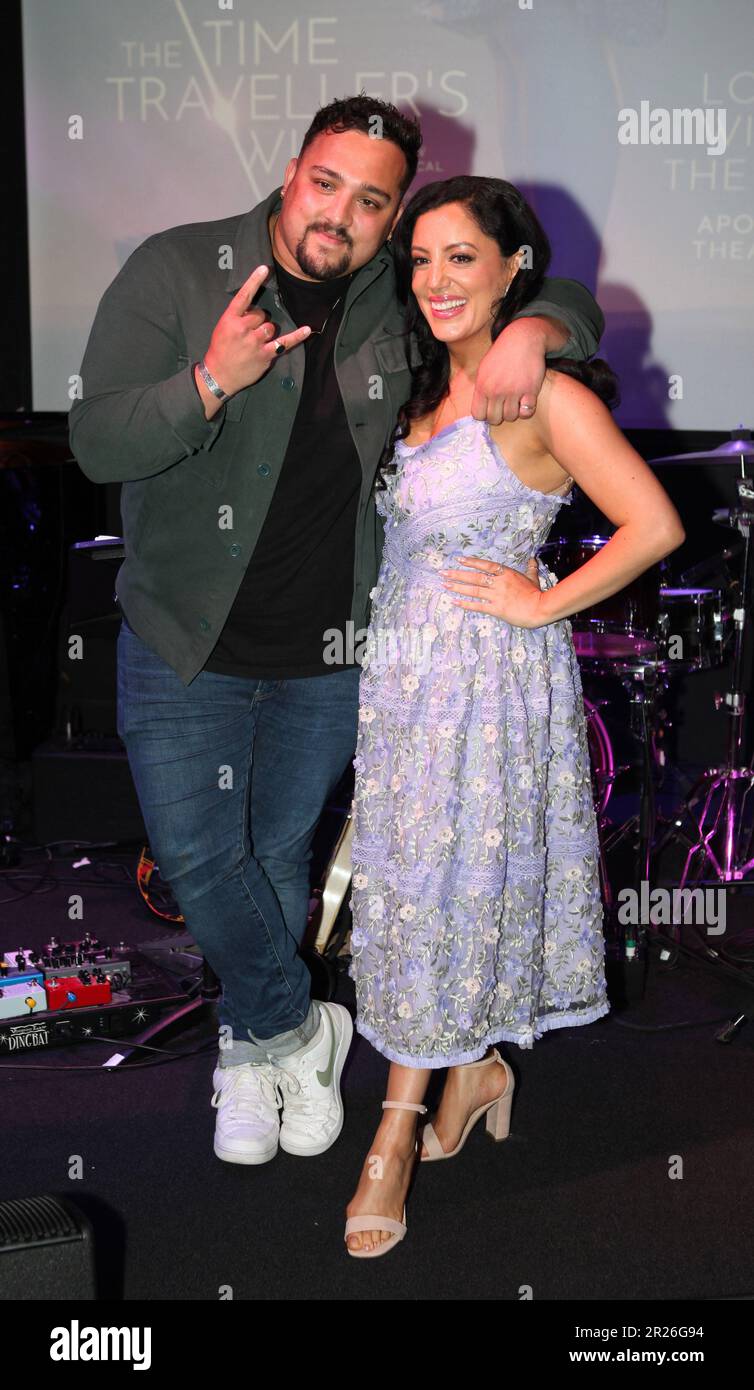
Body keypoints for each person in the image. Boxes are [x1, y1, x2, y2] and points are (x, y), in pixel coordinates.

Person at [69, 96, 605, 1171]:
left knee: (273, 863)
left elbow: (547, 286)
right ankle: (296, 1027)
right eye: (326, 183)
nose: (342, 214)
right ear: (290, 173)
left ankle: (247, 1059)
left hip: (329, 658)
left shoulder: (394, 296)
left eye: (372, 200)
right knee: (197, 858)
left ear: (392, 212)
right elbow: (94, 441)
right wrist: (211, 380)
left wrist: (543, 329)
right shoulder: (177, 269)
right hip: (187, 642)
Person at [344, 175, 685, 1256]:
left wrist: (542, 598)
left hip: (487, 688)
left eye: (462, 257)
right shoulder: (417, 390)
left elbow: (653, 524)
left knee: (449, 888)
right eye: (423, 258)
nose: (436, 279)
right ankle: (480, 1064)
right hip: (402, 688)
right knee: (414, 893)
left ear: (512, 272)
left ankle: (391, 1136)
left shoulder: (546, 396)